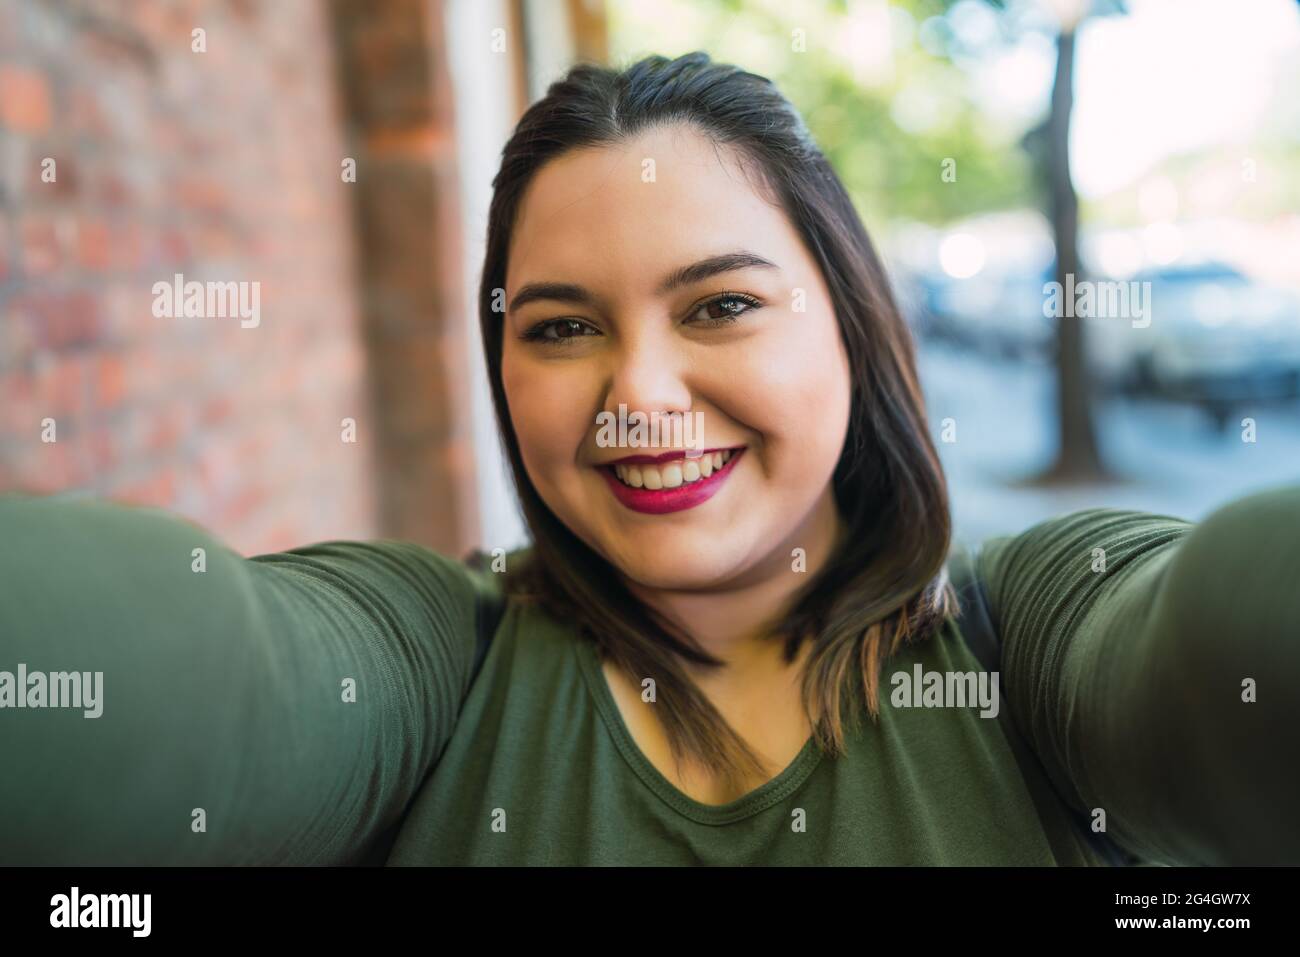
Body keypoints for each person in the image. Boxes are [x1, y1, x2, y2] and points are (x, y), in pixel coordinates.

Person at [1, 52, 1297, 866]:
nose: (639, 396)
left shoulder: (1029, 644)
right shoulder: (434, 666)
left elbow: (1215, 647)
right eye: (564, 326)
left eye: (719, 304)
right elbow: (198, 673)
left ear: (848, 326)